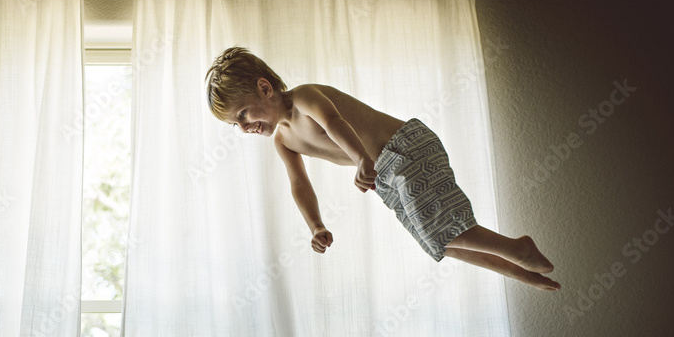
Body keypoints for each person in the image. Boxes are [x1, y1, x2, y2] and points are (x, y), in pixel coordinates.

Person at [205, 47, 559, 291]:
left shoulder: (304, 98)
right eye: (235, 125)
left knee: (438, 231)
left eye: (243, 114)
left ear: (264, 88)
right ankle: (519, 272)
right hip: (384, 176)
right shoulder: (283, 140)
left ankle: (517, 249)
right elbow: (299, 185)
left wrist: (360, 157)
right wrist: (316, 225)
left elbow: (334, 122)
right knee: (437, 244)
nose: (244, 127)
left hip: (405, 148)